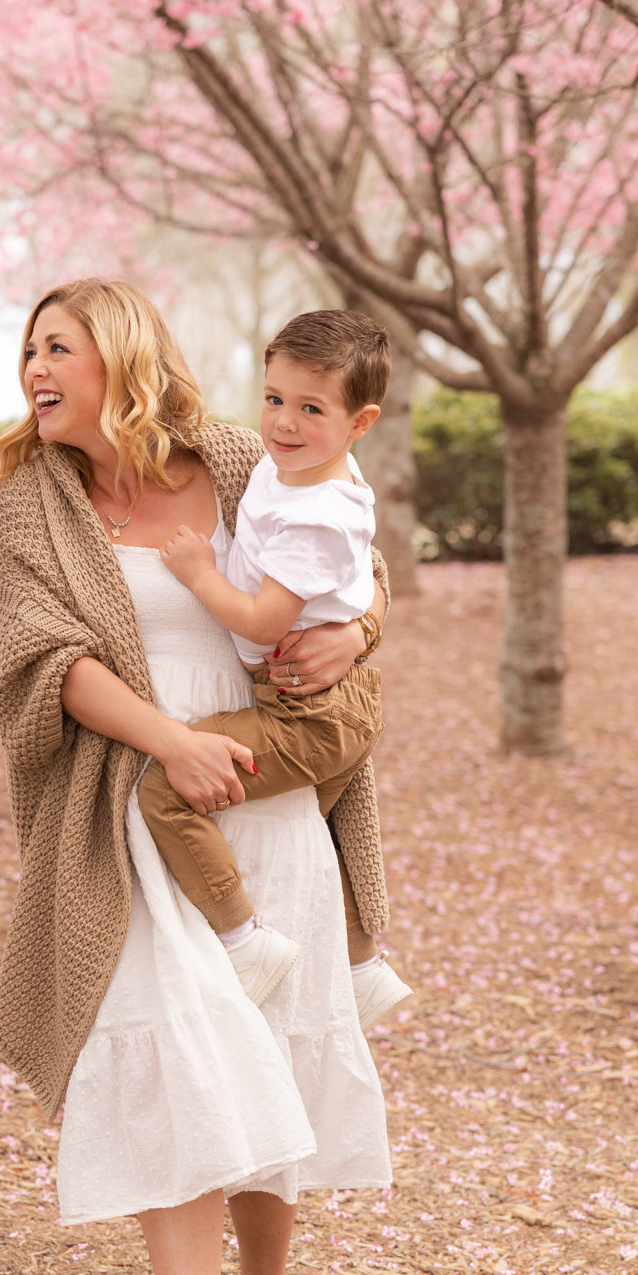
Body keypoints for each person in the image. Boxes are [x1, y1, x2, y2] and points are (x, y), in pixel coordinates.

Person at [0, 279, 391, 1275]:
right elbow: (44, 656)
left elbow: (349, 565)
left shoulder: (238, 457)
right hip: (134, 794)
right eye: (29, 349)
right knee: (182, 1058)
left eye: (57, 348)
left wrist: (358, 629)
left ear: (118, 356)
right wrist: (169, 743)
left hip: (265, 789)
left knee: (270, 1055)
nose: (34, 367)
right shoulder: (33, 496)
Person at [137, 309, 412, 1025]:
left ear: (362, 422)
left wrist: (199, 573)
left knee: (170, 787)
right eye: (274, 398)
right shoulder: (298, 467)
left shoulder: (317, 512)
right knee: (305, 837)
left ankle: (243, 939)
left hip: (309, 711)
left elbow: (263, 621)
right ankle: (361, 965)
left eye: (311, 409)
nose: (283, 424)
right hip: (333, 700)